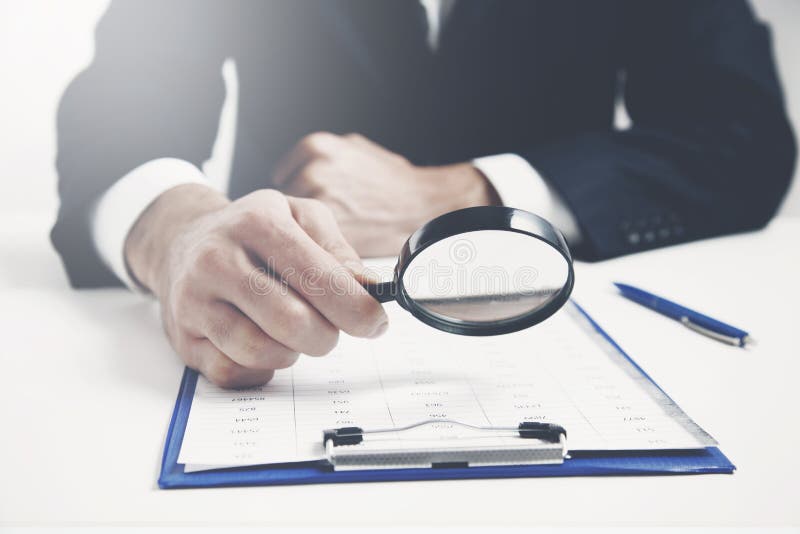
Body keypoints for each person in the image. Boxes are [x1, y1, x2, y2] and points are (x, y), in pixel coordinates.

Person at [52, 0, 796, 387]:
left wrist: (466, 190)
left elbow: (746, 135)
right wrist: (179, 233)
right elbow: (118, 117)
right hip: (281, 323)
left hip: (563, 334)